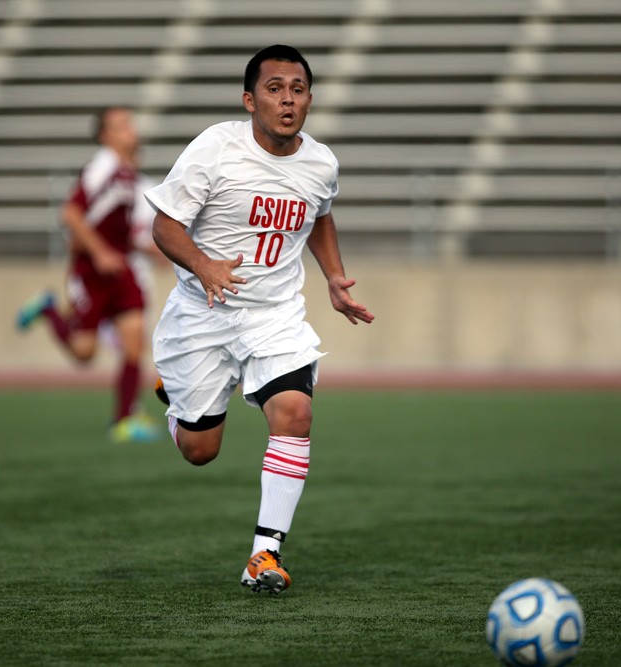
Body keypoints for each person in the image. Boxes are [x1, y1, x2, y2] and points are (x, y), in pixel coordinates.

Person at [144, 44, 374, 593]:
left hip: (274, 316)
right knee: (200, 452)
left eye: (297, 89)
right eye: (274, 89)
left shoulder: (321, 161)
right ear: (250, 100)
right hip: (203, 313)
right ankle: (176, 402)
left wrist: (334, 279)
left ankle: (263, 555)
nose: (286, 99)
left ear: (310, 99)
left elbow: (320, 213)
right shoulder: (213, 149)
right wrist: (203, 266)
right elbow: (165, 226)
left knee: (295, 412)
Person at [17, 106, 162, 444]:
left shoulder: (128, 173)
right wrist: (97, 252)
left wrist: (153, 252)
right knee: (84, 353)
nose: (131, 129)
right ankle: (48, 308)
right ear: (105, 136)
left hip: (120, 269)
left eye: (130, 122)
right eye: (122, 125)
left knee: (134, 341)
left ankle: (124, 419)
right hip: (92, 272)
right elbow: (71, 213)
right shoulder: (102, 166)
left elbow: (118, 230)